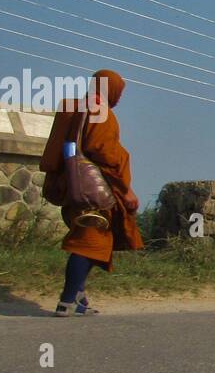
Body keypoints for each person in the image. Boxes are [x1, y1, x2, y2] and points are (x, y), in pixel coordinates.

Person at [40, 70, 144, 317]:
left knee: (95, 240)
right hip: (95, 191)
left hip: (72, 185)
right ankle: (67, 301)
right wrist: (126, 190)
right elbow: (102, 151)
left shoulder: (75, 107)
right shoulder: (100, 111)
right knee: (89, 240)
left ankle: (79, 297)